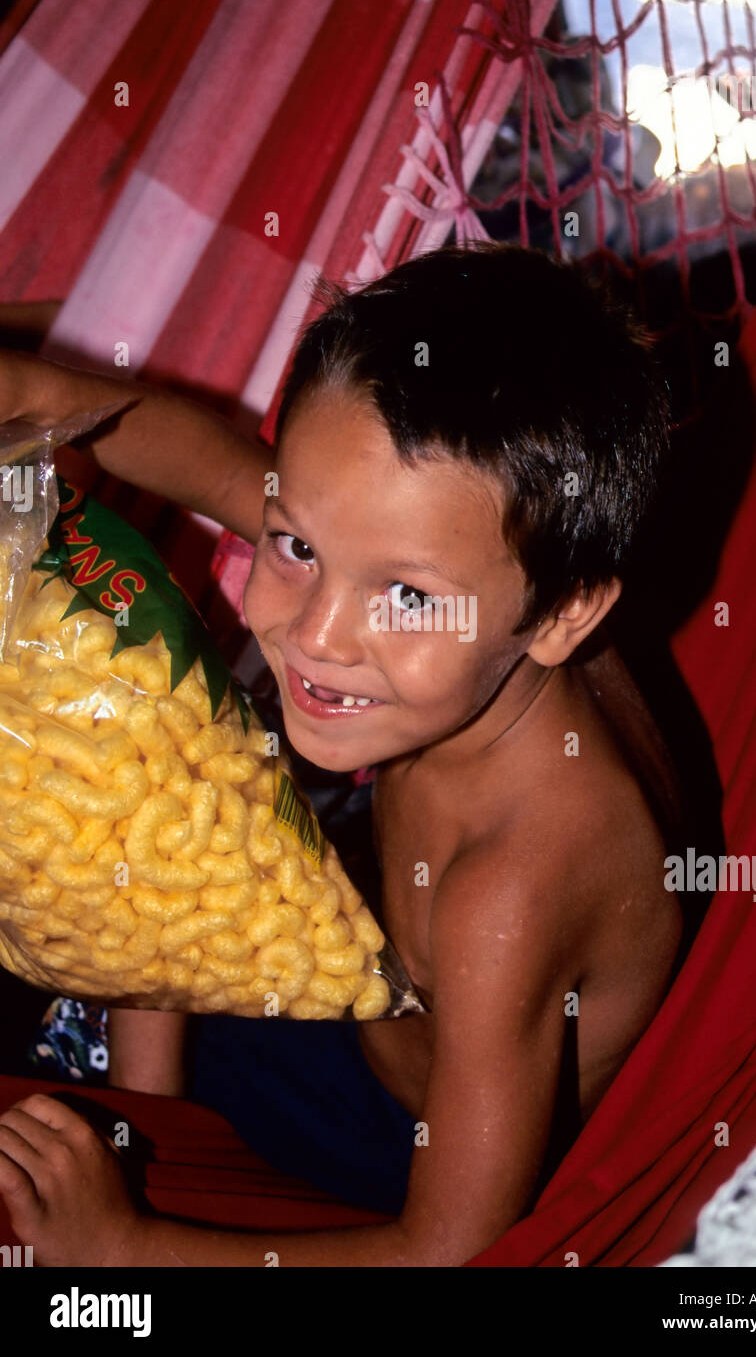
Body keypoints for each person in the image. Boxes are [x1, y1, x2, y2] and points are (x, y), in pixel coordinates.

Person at [0, 243, 687, 1266]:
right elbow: (214, 462)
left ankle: (134, 1099)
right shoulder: (499, 579)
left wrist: (124, 1244)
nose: (316, 636)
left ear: (563, 616)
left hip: (384, 1126)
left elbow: (451, 1248)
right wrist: (44, 393)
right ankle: (141, 1092)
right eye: (296, 547)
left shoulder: (513, 883)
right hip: (352, 967)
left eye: (404, 596)